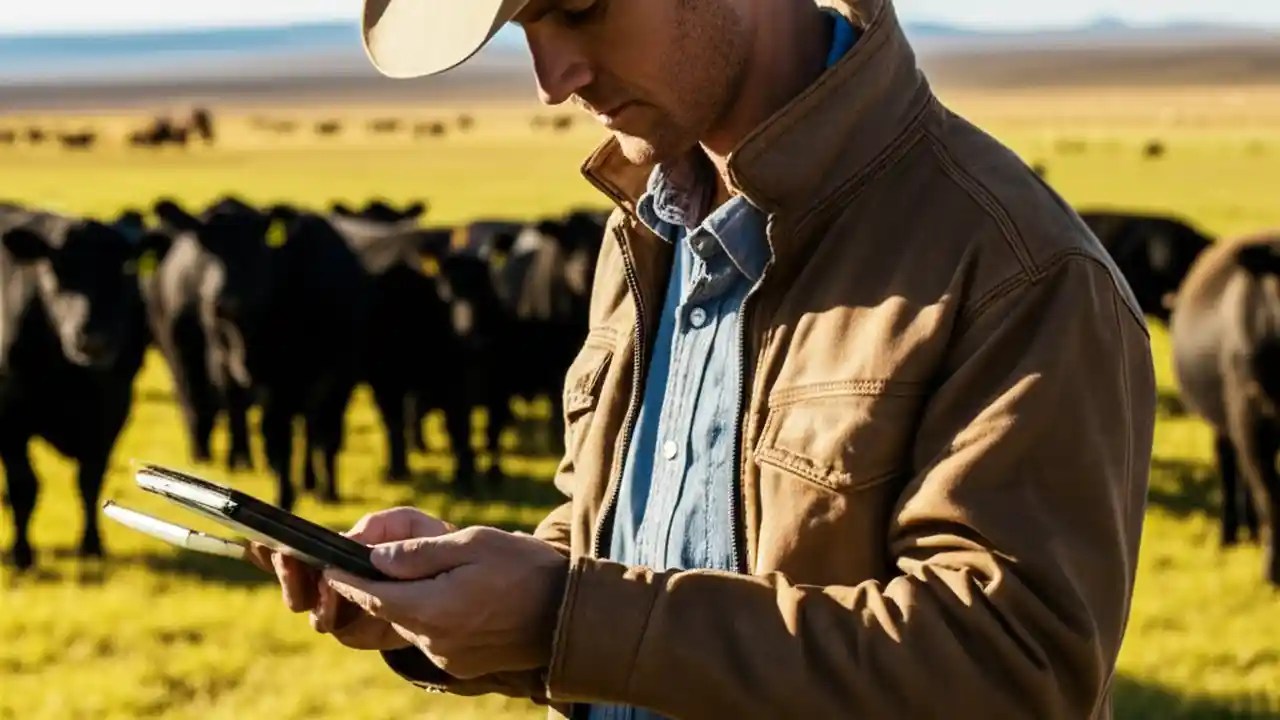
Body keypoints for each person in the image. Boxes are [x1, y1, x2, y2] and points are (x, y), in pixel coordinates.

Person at [254, 0, 1157, 718]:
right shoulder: (650, 229)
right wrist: (450, 593)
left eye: (579, 7)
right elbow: (619, 559)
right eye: (528, 30)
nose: (552, 79)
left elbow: (1013, 673)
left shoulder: (1015, 268)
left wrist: (562, 612)